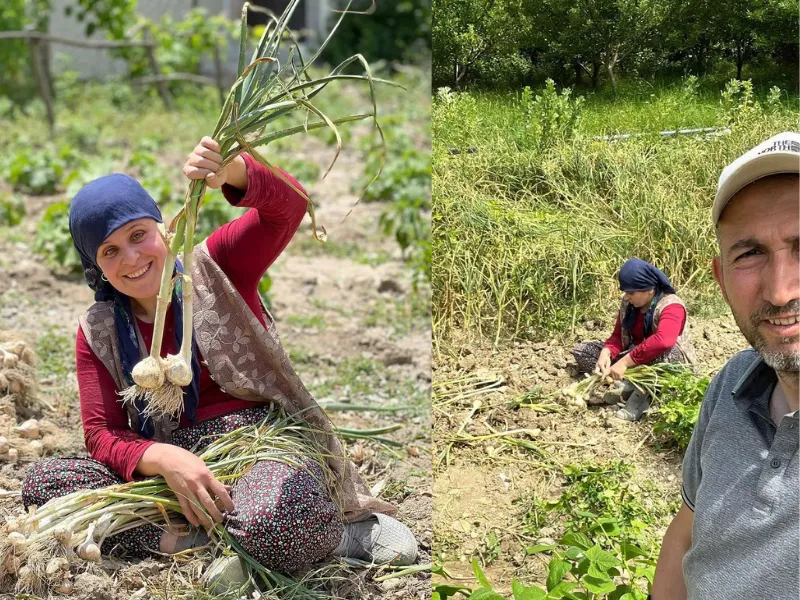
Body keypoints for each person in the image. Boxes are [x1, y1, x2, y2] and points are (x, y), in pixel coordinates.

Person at [20, 137, 417, 592]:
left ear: (164, 229)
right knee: (48, 483)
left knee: (275, 513)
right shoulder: (99, 328)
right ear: (96, 267)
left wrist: (233, 172)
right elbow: (101, 434)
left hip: (260, 449)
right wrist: (164, 458)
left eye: (137, 235)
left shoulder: (217, 266)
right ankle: (215, 541)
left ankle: (337, 532)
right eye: (109, 251)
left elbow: (289, 209)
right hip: (173, 473)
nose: (131, 258)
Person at [651, 131, 799, 599]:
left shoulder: (667, 310)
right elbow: (687, 532)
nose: (780, 292)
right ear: (720, 279)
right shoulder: (732, 384)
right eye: (750, 254)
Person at [573, 258, 696, 420]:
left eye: (631, 293)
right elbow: (618, 335)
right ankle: (627, 384)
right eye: (625, 292)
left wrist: (624, 362)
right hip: (635, 357)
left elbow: (664, 340)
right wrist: (606, 353)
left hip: (663, 362)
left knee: (668, 352)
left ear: (649, 290)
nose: (626, 296)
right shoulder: (629, 304)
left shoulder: (671, 306)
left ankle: (640, 395)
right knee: (583, 351)